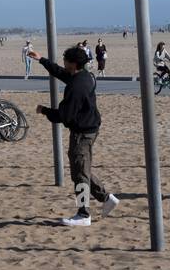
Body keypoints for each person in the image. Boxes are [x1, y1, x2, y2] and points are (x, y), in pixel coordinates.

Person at [27, 45, 119, 226]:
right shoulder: (84, 75)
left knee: (79, 175)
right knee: (81, 169)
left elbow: (65, 116)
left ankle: (84, 214)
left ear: (73, 63)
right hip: (89, 129)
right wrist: (42, 59)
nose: (64, 63)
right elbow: (61, 73)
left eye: (66, 60)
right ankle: (107, 199)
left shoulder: (76, 87)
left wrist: (45, 110)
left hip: (82, 133)